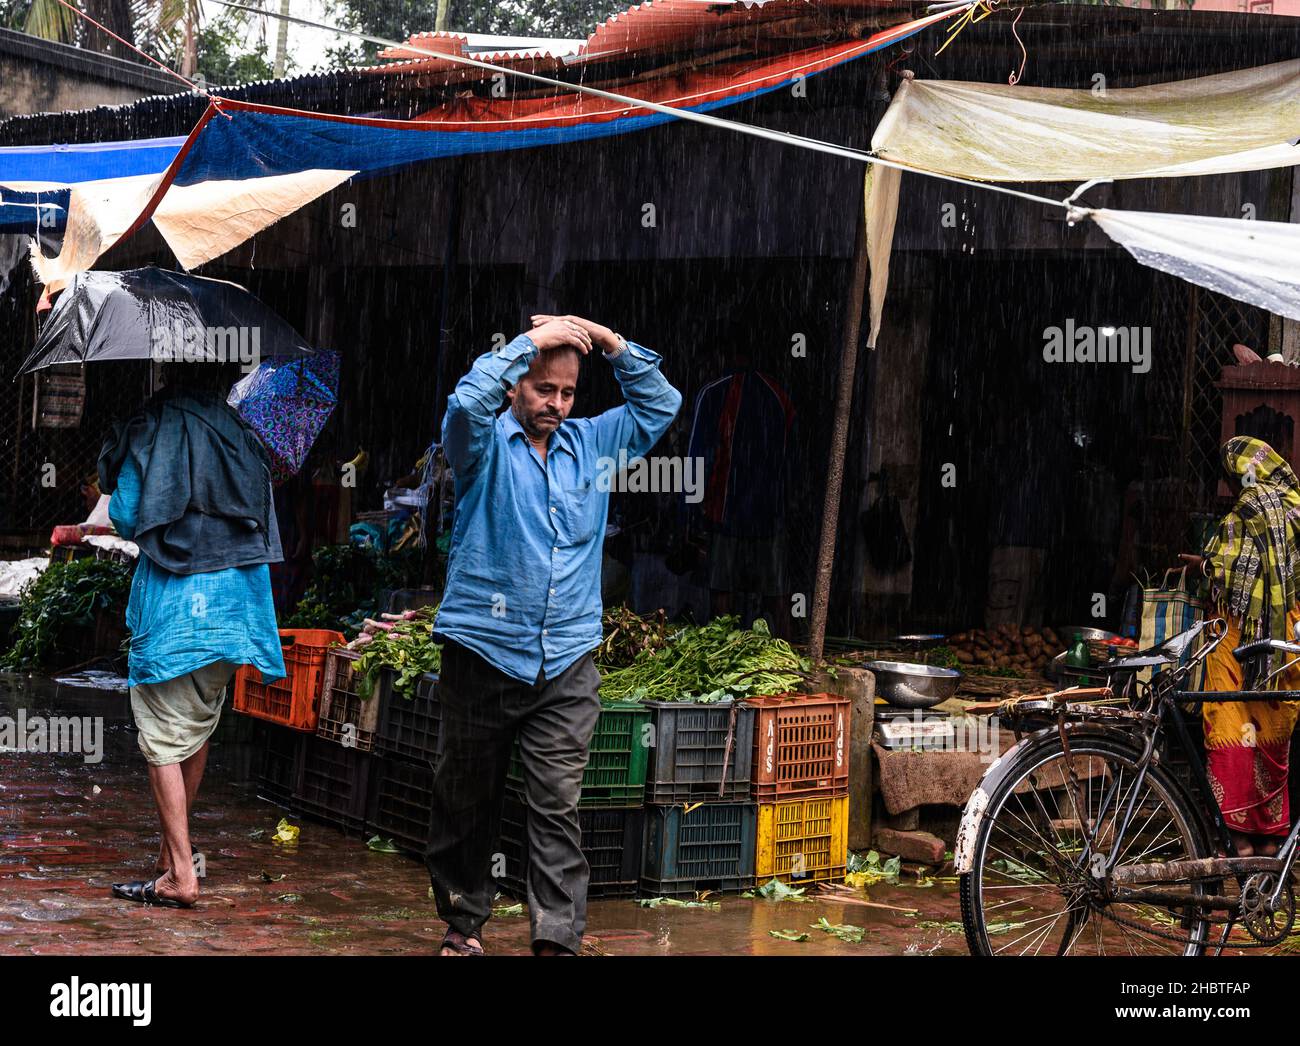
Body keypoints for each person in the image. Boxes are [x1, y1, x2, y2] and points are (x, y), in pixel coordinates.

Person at [428, 313, 680, 956]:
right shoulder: (480, 443)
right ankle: (463, 924)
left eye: (568, 393)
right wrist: (528, 345)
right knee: (467, 799)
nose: (557, 405)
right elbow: (463, 404)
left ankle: (556, 939)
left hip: (566, 659)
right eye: (544, 390)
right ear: (517, 384)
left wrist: (614, 344)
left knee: (555, 805)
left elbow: (660, 405)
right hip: (482, 651)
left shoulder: (593, 446)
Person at [98, 363, 286, 908]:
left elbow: (129, 515)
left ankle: (182, 873)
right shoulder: (246, 431)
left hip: (179, 608)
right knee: (195, 729)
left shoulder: (149, 422)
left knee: (160, 738)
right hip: (239, 606)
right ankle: (167, 859)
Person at [1193, 436, 1300, 858]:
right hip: (1282, 642)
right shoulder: (1295, 508)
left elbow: (1223, 572)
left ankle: (1233, 840)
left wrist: (1199, 565)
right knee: (1271, 734)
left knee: (1228, 727)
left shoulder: (1246, 510)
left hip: (1235, 637)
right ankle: (1271, 840)